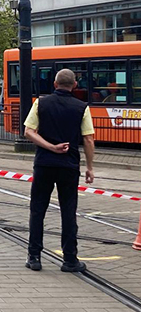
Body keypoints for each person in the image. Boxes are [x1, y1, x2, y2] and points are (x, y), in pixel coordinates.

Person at [23, 68, 96, 273]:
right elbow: (88, 139)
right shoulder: (82, 107)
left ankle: (34, 256)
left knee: (38, 210)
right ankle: (70, 259)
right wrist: (90, 167)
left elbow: (28, 131)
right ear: (74, 86)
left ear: (55, 84)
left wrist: (49, 147)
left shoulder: (40, 103)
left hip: (44, 164)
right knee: (68, 210)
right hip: (69, 166)